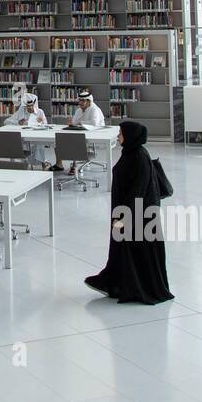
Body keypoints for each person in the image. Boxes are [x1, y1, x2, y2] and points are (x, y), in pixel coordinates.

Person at [84, 121, 173, 305]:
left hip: (137, 215)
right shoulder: (130, 153)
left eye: (121, 133)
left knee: (135, 250)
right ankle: (113, 282)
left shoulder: (139, 157)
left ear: (131, 136)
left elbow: (138, 190)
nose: (118, 137)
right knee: (123, 249)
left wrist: (124, 218)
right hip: (129, 211)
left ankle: (130, 286)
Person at [53, 90, 105, 171]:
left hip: (94, 134)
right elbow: (74, 122)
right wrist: (71, 123)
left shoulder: (94, 109)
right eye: (80, 100)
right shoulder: (79, 110)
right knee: (59, 140)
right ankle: (59, 164)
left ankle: (74, 166)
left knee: (75, 141)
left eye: (83, 101)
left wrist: (80, 123)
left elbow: (94, 124)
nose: (80, 103)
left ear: (89, 101)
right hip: (80, 133)